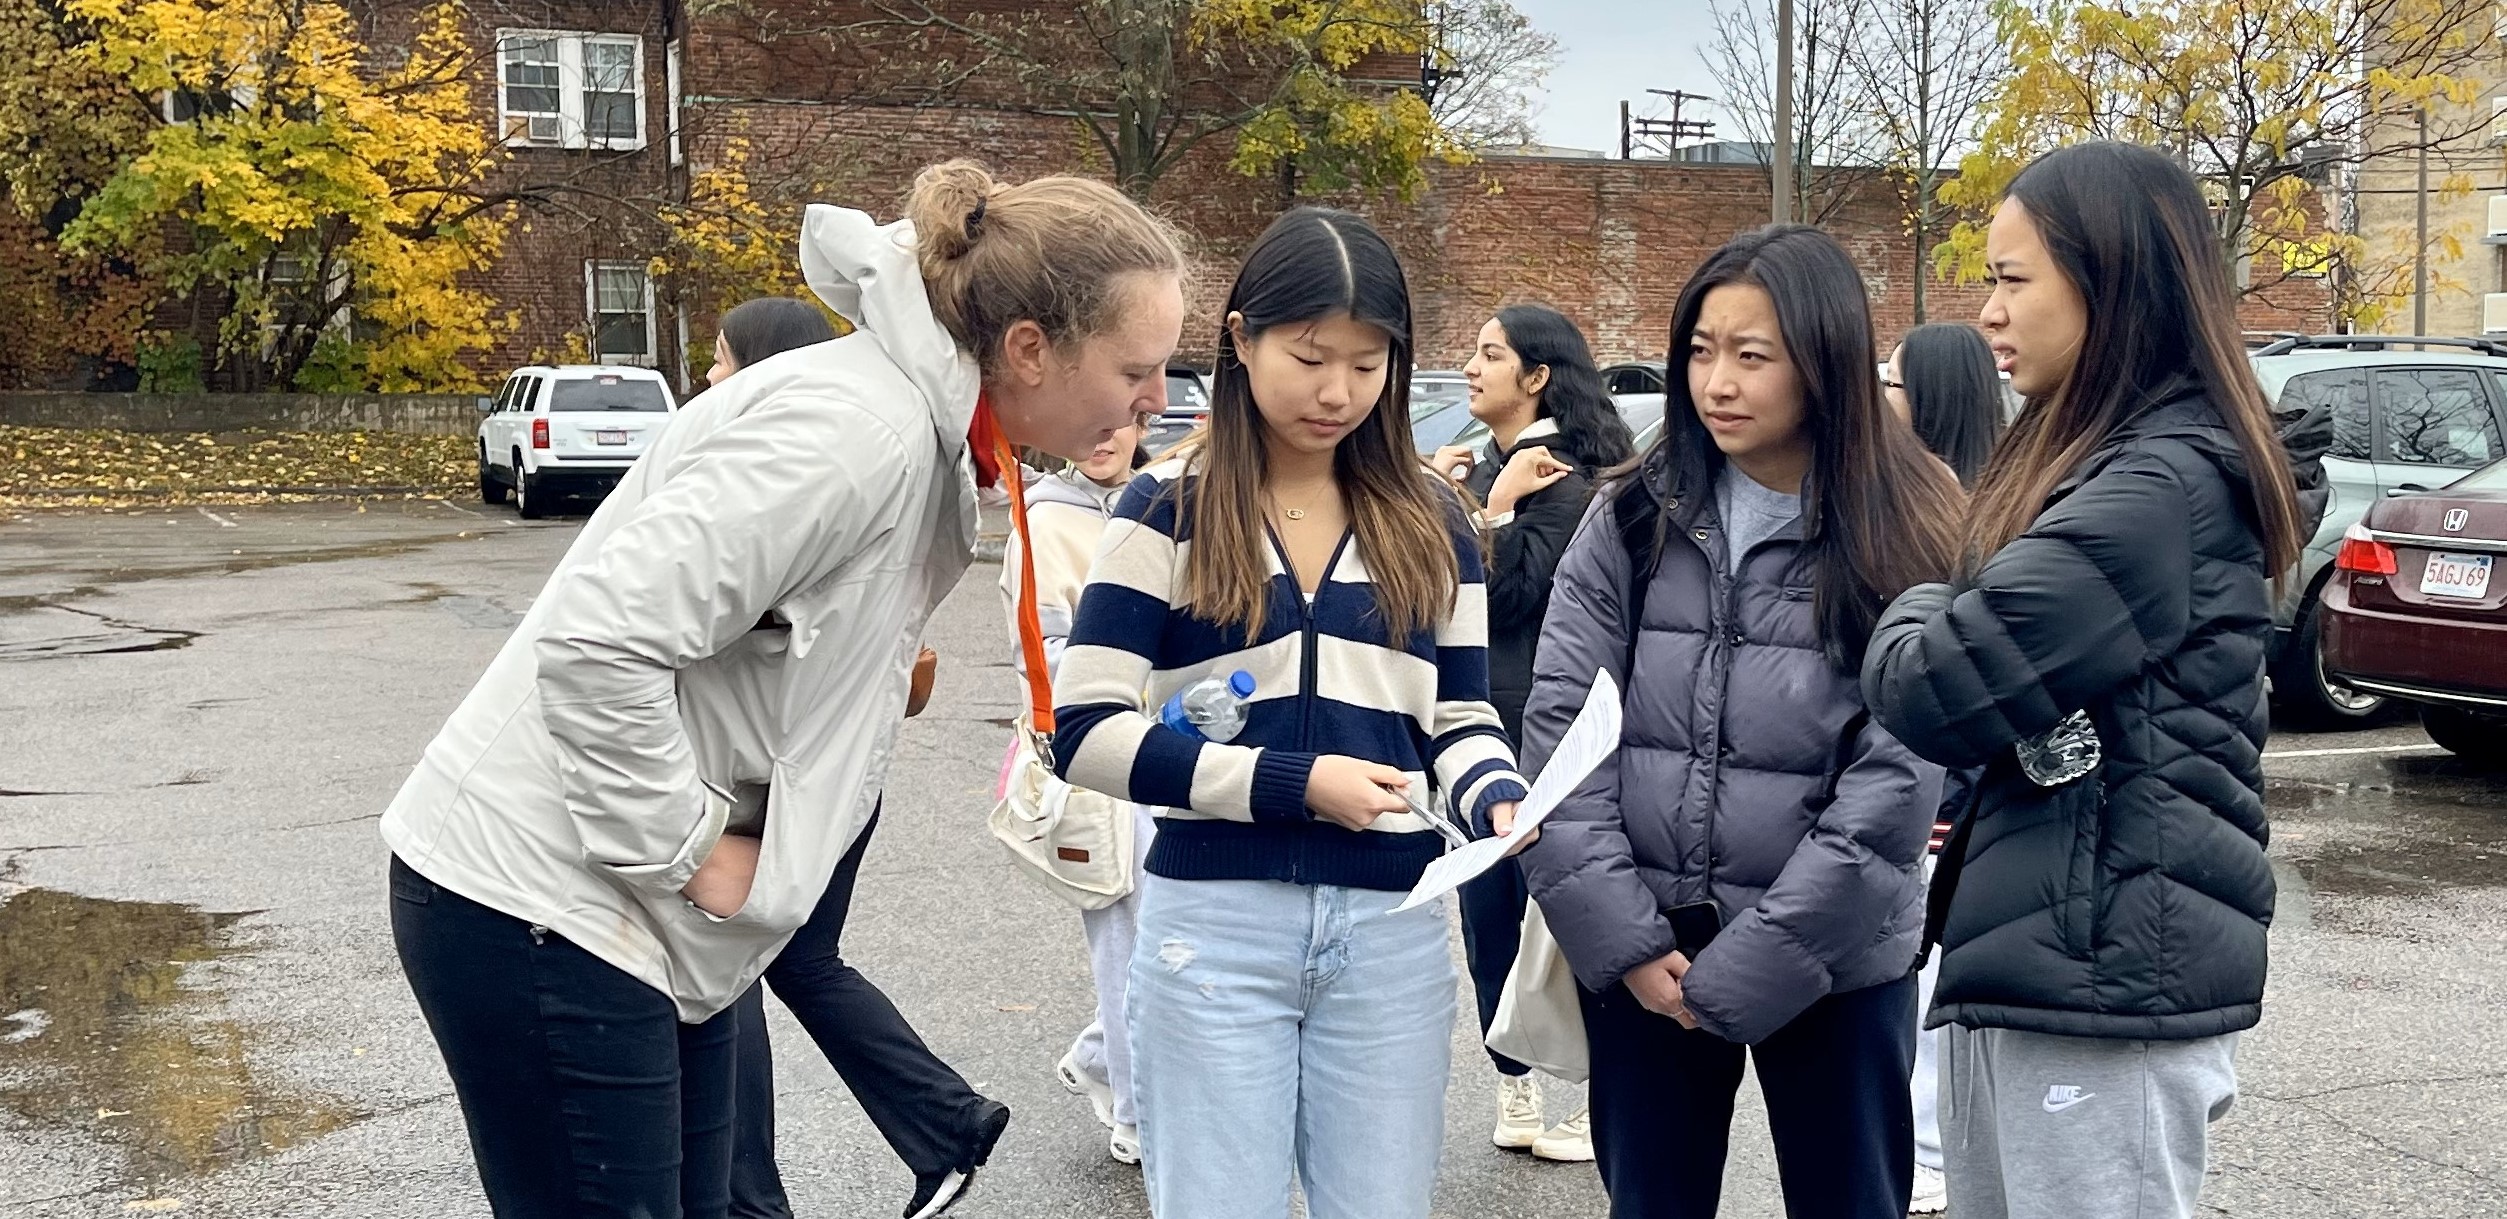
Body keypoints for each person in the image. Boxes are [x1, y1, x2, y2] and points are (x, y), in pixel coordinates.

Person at [381, 158, 1185, 1219]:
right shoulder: (854, 435)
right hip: (544, 902)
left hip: (646, 918)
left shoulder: (923, 431)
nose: (1158, 398)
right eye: (1138, 365)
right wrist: (690, 845)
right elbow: (594, 644)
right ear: (1030, 349)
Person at [1050, 207, 1531, 1219]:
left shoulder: (1432, 518)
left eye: (1367, 364)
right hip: (1210, 932)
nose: (1336, 392)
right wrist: (1288, 783)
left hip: (1390, 932)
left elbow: (1459, 714)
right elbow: (1085, 731)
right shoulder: (1163, 507)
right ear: (1238, 338)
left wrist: (1495, 793)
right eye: (1309, 356)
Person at [1860, 141, 2307, 1219]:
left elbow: (1931, 686)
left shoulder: (2155, 485)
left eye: (2013, 279)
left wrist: (1921, 594)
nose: (1986, 312)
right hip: (2059, 961)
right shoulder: (2109, 460)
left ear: (2110, 282)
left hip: (2100, 982)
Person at [1515, 224, 1964, 1219]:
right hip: (1647, 940)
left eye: (1751, 355)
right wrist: (1624, 941)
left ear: (1824, 361)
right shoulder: (1635, 513)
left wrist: (1756, 962)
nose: (1717, 381)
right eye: (1700, 350)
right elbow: (1561, 728)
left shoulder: (1909, 519)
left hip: (1837, 954)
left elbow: (1897, 774)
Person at [693, 295, 1010, 1219]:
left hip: (780, 778)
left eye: (719, 360)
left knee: (728, 976)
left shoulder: (799, 480)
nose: (707, 380)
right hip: (826, 774)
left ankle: (756, 1198)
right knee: (789, 964)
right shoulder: (856, 471)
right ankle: (944, 1124)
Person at [1429, 303, 1636, 1162]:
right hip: (1482, 730)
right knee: (1491, 912)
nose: (1470, 368)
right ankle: (1515, 1090)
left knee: (1564, 914)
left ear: (1538, 377)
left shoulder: (1559, 473)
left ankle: (1587, 1101)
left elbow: (1510, 598)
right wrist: (1456, 493)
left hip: (1541, 731)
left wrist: (1494, 510)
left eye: (1489, 354)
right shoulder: (1492, 465)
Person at [996, 420, 1157, 1166]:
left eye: (1118, 423)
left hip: (1182, 745)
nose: (1103, 439)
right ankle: (1134, 1110)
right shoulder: (1042, 516)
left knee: (1167, 932)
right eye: (1086, 425)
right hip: (1101, 754)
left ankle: (1100, 1055)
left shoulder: (1166, 503)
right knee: (1125, 937)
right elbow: (1045, 653)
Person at [1876, 317, 2003, 1214]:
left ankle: (1925, 1161)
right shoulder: (1981, 495)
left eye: (1893, 380)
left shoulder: (1952, 510)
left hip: (1941, 793)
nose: (1881, 395)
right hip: (1945, 789)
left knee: (1924, 988)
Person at [1882, 322, 2001, 486]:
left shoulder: (1910, 495)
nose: (1882, 396)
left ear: (1930, 397)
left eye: (1889, 383)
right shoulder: (2009, 486)